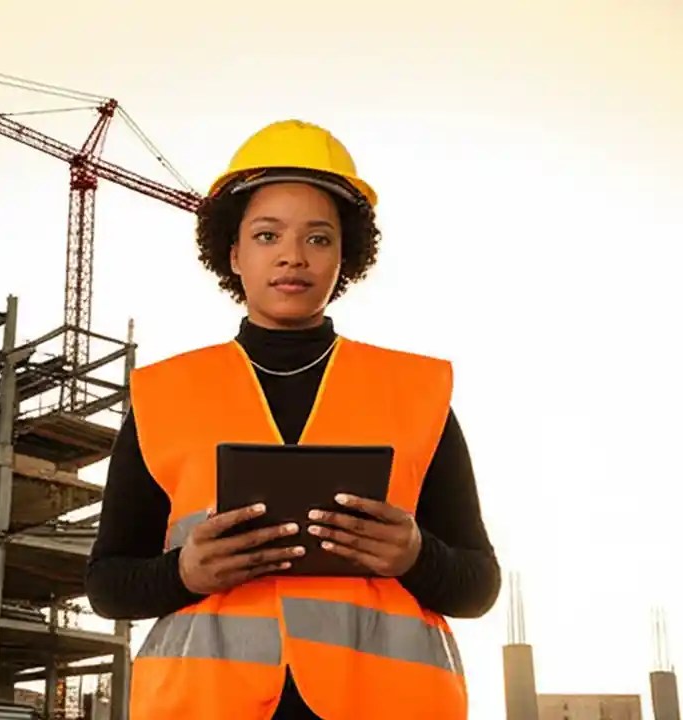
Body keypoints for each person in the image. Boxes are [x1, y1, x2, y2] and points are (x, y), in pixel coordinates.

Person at [84, 119, 501, 720]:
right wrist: (184, 573)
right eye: (266, 234)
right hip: (203, 707)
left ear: (345, 255)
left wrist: (414, 554)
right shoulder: (161, 395)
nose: (291, 256)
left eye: (319, 239)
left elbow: (477, 586)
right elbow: (107, 585)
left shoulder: (418, 392)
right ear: (232, 251)